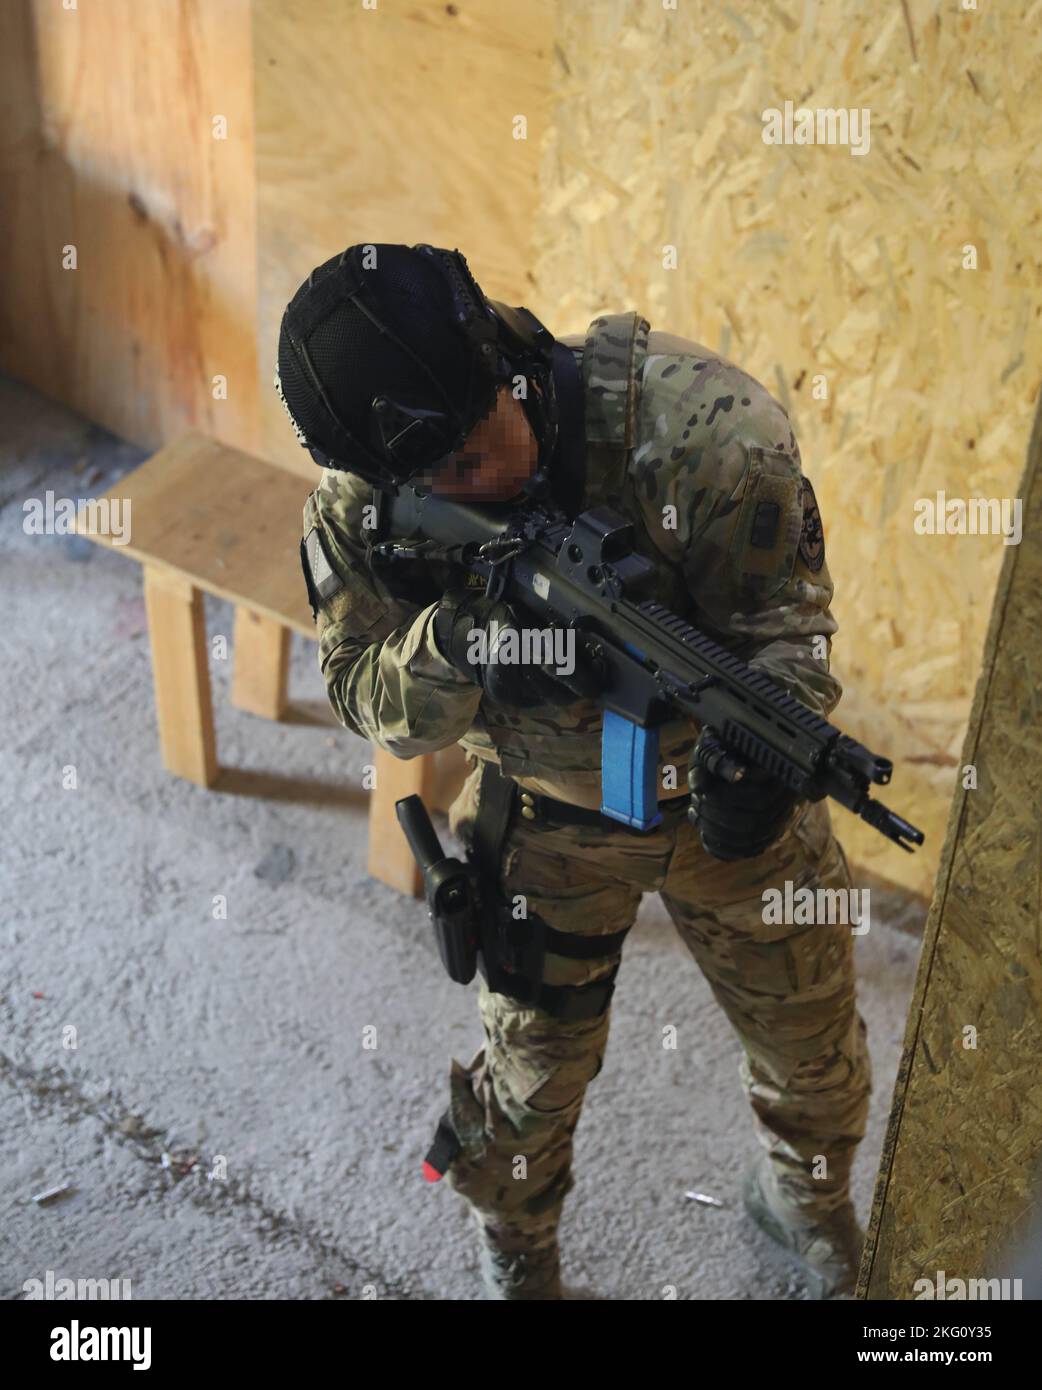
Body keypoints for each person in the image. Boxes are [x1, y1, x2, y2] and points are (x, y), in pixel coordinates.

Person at [278, 242, 870, 1300]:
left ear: (504, 366)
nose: (479, 484)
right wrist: (462, 642)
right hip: (545, 819)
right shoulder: (360, 494)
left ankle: (804, 1200)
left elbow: (793, 639)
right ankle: (519, 1262)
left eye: (479, 449)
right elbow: (368, 696)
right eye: (442, 481)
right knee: (524, 1096)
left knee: (818, 1058)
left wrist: (764, 767)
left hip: (719, 805)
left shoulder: (697, 432)